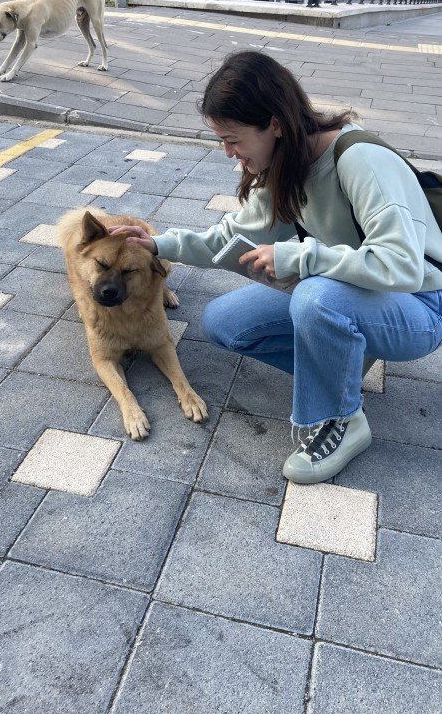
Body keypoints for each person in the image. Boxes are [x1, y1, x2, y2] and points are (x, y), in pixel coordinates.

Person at [109, 50, 442, 484]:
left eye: (233, 139)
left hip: (419, 305)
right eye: (221, 141)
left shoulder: (361, 160)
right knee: (225, 321)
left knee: (314, 294)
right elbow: (228, 239)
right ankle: (341, 363)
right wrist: (157, 244)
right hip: (358, 291)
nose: (228, 153)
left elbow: (402, 267)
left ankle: (342, 420)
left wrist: (301, 258)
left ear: (275, 124)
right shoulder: (284, 163)